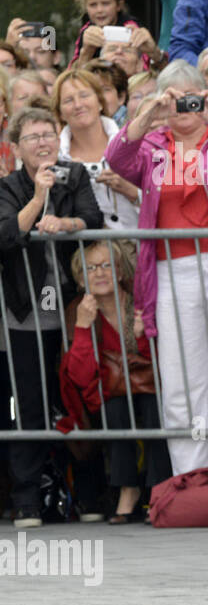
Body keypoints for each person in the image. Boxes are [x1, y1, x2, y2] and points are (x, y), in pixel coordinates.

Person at [105, 60, 208, 480]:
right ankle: (190, 480)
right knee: (184, 380)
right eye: (175, 99)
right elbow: (116, 159)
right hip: (169, 271)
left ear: (205, 96)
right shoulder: (151, 146)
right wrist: (147, 114)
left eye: (191, 97)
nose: (184, 107)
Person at [0, 107, 103, 529]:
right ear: (16, 148)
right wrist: (39, 199)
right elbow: (7, 233)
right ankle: (27, 499)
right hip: (26, 307)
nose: (43, 143)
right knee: (30, 400)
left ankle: (93, 495)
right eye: (33, 137)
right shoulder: (9, 186)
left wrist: (68, 221)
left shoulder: (74, 174)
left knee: (79, 396)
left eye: (48, 135)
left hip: (71, 302)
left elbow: (93, 218)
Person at [58, 239, 170, 524]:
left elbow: (159, 358)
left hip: (150, 383)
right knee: (116, 408)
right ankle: (128, 489)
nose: (99, 273)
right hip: (110, 389)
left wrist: (142, 335)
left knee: (154, 404)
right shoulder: (77, 310)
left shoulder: (140, 301)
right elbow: (81, 376)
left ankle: (159, 487)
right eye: (91, 268)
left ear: (120, 272)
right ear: (81, 279)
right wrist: (83, 328)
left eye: (107, 265)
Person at [53, 69, 137, 231]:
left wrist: (131, 191)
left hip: (140, 245)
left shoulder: (131, 143)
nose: (78, 105)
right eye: (68, 100)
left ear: (99, 102)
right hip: (87, 250)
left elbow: (159, 200)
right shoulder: (57, 159)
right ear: (61, 113)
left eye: (84, 96)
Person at [70, 0, 164, 70]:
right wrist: (86, 52)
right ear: (86, 8)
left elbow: (145, 67)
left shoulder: (131, 28)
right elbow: (72, 74)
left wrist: (154, 53)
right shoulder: (86, 31)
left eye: (105, 3)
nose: (99, 10)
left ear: (119, 5)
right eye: (93, 5)